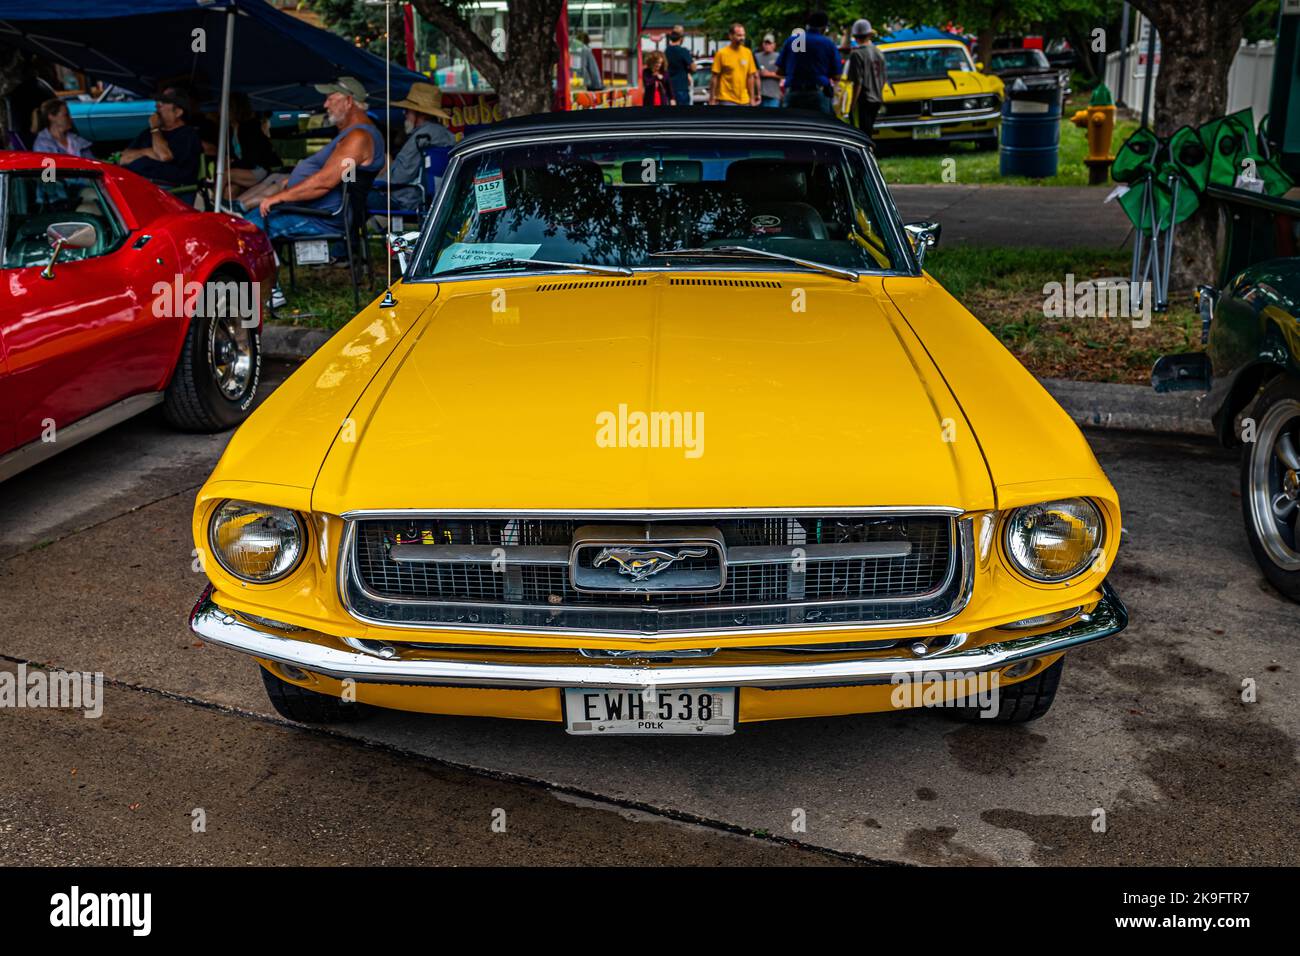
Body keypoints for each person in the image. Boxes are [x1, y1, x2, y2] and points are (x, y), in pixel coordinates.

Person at [237, 76, 385, 241]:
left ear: (348, 101)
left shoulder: (359, 137)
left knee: (245, 231)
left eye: (330, 98)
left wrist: (279, 197)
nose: (325, 105)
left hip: (320, 217)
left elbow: (324, 182)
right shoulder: (352, 134)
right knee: (243, 223)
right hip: (310, 210)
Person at [371, 81, 454, 212]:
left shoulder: (421, 137)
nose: (404, 115)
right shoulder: (446, 134)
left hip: (406, 200)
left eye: (407, 111)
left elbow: (400, 176)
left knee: (357, 197)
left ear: (421, 114)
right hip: (428, 198)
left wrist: (374, 181)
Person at [118, 89, 202, 187]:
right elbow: (124, 156)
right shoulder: (147, 133)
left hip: (166, 188)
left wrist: (155, 129)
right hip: (136, 181)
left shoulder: (187, 135)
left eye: (164, 102)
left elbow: (164, 156)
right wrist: (147, 152)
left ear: (178, 112)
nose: (157, 105)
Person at [776, 11, 842, 114]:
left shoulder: (792, 41)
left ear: (808, 25)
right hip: (818, 95)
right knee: (820, 127)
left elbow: (780, 71)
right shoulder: (828, 44)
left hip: (794, 93)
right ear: (824, 27)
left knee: (791, 127)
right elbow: (837, 76)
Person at [845, 19, 887, 136]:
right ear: (869, 35)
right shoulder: (879, 52)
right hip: (877, 98)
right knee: (869, 130)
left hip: (864, 99)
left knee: (862, 134)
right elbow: (883, 79)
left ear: (855, 36)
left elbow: (857, 82)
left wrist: (852, 105)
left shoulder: (856, 54)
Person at [709, 23, 759, 107]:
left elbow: (750, 77)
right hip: (726, 99)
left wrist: (752, 98)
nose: (742, 38)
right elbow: (715, 77)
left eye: (743, 35)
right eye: (739, 35)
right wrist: (712, 98)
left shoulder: (747, 53)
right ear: (730, 36)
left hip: (744, 99)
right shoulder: (721, 53)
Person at [664, 28, 694, 107]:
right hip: (682, 86)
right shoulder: (683, 51)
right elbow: (693, 67)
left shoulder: (666, 51)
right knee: (683, 114)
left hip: (669, 87)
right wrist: (689, 71)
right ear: (681, 39)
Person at [755, 34, 783, 107]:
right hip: (759, 96)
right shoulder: (756, 56)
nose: (767, 45)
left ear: (774, 45)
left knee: (773, 118)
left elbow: (784, 76)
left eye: (769, 43)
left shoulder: (779, 57)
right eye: (765, 43)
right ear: (762, 44)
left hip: (773, 95)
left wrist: (769, 74)